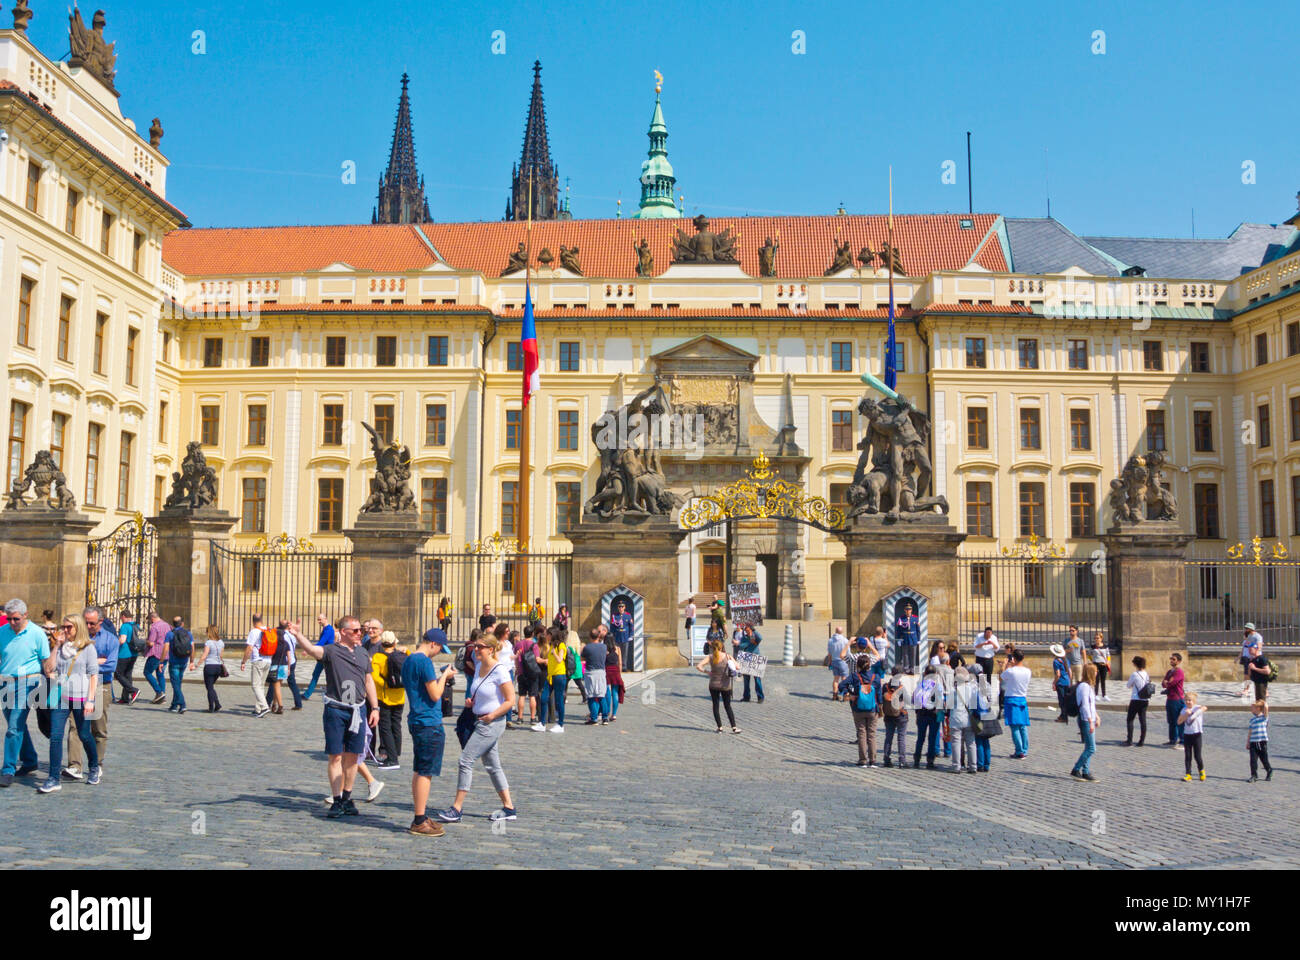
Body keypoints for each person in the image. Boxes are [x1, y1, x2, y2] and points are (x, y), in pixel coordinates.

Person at [289, 616, 379, 819]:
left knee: (353, 756)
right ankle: (337, 799)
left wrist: (375, 708)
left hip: (358, 709)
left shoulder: (363, 653)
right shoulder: (332, 651)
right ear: (344, 632)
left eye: (360, 631)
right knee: (336, 755)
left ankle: (348, 797)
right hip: (336, 710)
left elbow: (368, 681)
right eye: (355, 631)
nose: (359, 634)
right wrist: (297, 635)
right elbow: (313, 651)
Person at [434, 631, 518, 824]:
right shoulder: (480, 665)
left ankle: (457, 808)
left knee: (466, 760)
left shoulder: (500, 670)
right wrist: (472, 703)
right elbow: (482, 691)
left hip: (491, 723)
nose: (475, 649)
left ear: (490, 649)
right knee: (492, 765)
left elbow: (509, 700)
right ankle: (509, 807)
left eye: (480, 647)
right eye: (475, 646)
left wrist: (493, 715)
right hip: (478, 718)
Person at [401, 628, 456, 837]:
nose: (438, 652)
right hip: (428, 721)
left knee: (419, 769)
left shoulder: (409, 659)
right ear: (433, 643)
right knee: (425, 772)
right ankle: (418, 819)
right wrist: (445, 676)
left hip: (417, 718)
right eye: (439, 648)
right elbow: (435, 694)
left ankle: (421, 816)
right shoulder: (423, 662)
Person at [39, 613, 101, 793]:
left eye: (69, 627)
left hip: (81, 698)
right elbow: (49, 668)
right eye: (63, 627)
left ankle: (94, 766)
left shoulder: (88, 648)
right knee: (56, 736)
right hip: (62, 696)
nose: (65, 630)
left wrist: (91, 700)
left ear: (78, 628)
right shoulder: (61, 647)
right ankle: (53, 778)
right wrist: (56, 645)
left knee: (84, 735)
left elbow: (93, 675)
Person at [0, 599, 53, 787]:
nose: (12, 622)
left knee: (14, 726)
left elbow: (46, 661)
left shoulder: (37, 634)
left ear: (25, 615)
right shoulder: (2, 632)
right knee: (16, 724)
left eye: (15, 619)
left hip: (28, 682)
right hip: (5, 683)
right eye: (9, 618)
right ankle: (30, 760)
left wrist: (50, 685)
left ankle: (8, 769)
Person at [837, 655, 882, 767]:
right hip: (872, 709)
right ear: (869, 665)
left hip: (858, 708)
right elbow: (879, 695)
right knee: (871, 734)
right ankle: (873, 760)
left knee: (861, 734)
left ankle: (862, 760)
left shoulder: (855, 676)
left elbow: (841, 685)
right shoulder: (875, 677)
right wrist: (880, 707)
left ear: (858, 665)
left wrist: (848, 693)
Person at [371, 630, 406, 770]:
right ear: (394, 642)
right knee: (396, 725)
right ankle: (396, 752)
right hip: (400, 696)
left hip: (385, 697)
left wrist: (386, 685)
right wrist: (407, 651)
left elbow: (374, 677)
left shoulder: (378, 657)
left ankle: (392, 758)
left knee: (385, 728)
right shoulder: (402, 656)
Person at [695, 638, 740, 734]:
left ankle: (719, 727)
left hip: (713, 684)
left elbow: (698, 666)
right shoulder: (728, 656)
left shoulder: (710, 657)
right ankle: (734, 727)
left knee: (715, 706)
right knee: (727, 706)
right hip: (725, 685)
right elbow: (737, 667)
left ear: (712, 647)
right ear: (721, 647)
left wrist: (707, 672)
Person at [1070, 662, 1100, 782]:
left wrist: (1096, 716)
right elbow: (1085, 706)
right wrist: (1090, 721)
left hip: (1090, 719)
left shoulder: (1089, 686)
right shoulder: (1083, 687)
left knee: (1088, 746)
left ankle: (1085, 771)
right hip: (1085, 719)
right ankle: (1075, 769)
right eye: (1096, 671)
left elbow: (1092, 705)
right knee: (1092, 748)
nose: (1097, 673)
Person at [947, 665, 979, 774]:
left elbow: (948, 705)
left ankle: (956, 766)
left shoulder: (952, 690)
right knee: (971, 743)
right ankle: (973, 766)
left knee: (956, 742)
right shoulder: (972, 689)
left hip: (956, 718)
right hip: (968, 719)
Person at [1001, 649, 1032, 759]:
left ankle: (1019, 751)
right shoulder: (1028, 671)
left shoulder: (1011, 671)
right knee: (1023, 726)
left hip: (1011, 699)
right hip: (1022, 699)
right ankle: (1024, 749)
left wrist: (1006, 665)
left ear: (1013, 658)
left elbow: (1002, 677)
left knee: (1014, 727)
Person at [910, 665, 942, 769]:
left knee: (920, 737)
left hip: (921, 714)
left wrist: (917, 712)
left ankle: (917, 759)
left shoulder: (920, 685)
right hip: (933, 714)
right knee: (932, 738)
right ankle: (930, 761)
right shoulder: (937, 685)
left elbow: (914, 699)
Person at [240, 614, 271, 718]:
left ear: (253, 621)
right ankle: (258, 709)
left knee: (255, 685)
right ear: (261, 620)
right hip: (268, 660)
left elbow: (249, 648)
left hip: (258, 661)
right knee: (261, 685)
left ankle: (265, 707)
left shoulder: (254, 631)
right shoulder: (267, 629)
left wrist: (243, 661)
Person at [163, 615, 193, 714]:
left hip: (174, 662)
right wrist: (192, 661)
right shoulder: (188, 633)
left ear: (173, 624)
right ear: (182, 623)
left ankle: (183, 704)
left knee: (175, 685)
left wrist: (161, 661)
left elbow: (166, 649)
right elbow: (193, 648)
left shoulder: (170, 634)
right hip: (184, 661)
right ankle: (174, 705)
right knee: (178, 684)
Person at [301, 613, 334, 701]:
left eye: (320, 619)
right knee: (316, 674)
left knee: (328, 676)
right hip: (322, 656)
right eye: (318, 620)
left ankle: (331, 694)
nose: (318, 621)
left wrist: (309, 650)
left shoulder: (329, 629)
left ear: (325, 619)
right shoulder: (325, 629)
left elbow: (321, 642)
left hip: (327, 656)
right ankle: (307, 695)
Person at [970, 663, 996, 772]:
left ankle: (980, 763)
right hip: (988, 713)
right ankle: (987, 764)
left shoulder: (974, 685)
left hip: (978, 714)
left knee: (979, 740)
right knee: (986, 740)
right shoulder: (987, 684)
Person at [881, 669, 909, 767]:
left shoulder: (885, 687)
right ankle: (902, 760)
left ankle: (886, 759)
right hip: (901, 715)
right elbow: (908, 700)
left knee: (888, 737)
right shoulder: (901, 687)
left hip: (888, 715)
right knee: (901, 738)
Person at [581, 628, 609, 725]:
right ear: (599, 636)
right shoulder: (604, 647)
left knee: (591, 696)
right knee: (601, 695)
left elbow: (582, 657)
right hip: (601, 672)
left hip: (590, 672)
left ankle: (594, 718)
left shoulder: (587, 647)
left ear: (590, 637)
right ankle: (605, 718)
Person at [1178, 692, 1207, 781]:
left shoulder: (1197, 707)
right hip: (1187, 735)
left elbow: (1205, 708)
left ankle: (1201, 770)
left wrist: (1196, 712)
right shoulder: (1183, 710)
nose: (1188, 702)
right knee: (1187, 755)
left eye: (1189, 700)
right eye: (1186, 700)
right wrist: (1186, 714)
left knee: (1197, 755)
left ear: (1194, 701)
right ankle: (1188, 774)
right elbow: (1179, 722)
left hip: (1197, 734)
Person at [545, 626, 568, 733]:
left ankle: (561, 724)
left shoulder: (561, 645)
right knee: (544, 697)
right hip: (551, 676)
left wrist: (554, 653)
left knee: (559, 701)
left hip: (559, 675)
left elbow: (559, 659)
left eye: (548, 634)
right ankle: (542, 722)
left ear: (552, 635)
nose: (546, 636)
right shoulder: (551, 645)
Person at [114, 611, 141, 705]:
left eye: (121, 618)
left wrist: (113, 645)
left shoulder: (125, 626)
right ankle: (125, 698)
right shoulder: (136, 626)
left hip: (124, 654)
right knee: (127, 675)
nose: (121, 620)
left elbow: (122, 640)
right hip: (134, 653)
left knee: (118, 674)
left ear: (124, 616)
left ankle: (133, 691)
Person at [142, 610, 169, 704]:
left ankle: (159, 692)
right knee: (160, 674)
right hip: (165, 653)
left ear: (152, 618)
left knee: (147, 672)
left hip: (156, 654)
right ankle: (162, 696)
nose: (149, 622)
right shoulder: (166, 625)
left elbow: (151, 642)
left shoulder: (154, 627)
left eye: (149, 620)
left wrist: (146, 641)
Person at [1124, 655, 1150, 747]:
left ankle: (1129, 740)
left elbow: (1128, 685)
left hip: (1135, 699)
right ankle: (1141, 741)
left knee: (1130, 719)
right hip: (1145, 699)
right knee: (1143, 720)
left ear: (1135, 664)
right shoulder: (1146, 674)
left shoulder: (1135, 674)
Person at [1161, 652, 1186, 746]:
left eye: (1173, 659)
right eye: (1171, 659)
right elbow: (1163, 684)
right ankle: (1172, 739)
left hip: (1177, 699)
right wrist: (1166, 682)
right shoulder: (1169, 672)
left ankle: (1182, 739)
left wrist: (1167, 682)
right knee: (1171, 720)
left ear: (1179, 661)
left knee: (1178, 720)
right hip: (1170, 698)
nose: (1171, 660)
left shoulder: (1179, 672)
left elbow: (1172, 683)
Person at [199, 625, 225, 712]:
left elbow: (204, 655)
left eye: (206, 632)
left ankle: (211, 708)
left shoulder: (208, 642)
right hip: (218, 667)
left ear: (209, 632)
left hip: (209, 666)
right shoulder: (221, 642)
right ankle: (217, 704)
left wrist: (197, 665)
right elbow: (221, 656)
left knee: (209, 687)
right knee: (210, 687)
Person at [736, 623, 764, 703]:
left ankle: (760, 697)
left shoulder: (755, 635)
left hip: (755, 658)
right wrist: (749, 642)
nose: (746, 630)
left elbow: (760, 638)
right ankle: (746, 696)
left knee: (757, 679)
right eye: (745, 628)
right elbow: (741, 646)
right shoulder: (744, 637)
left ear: (751, 628)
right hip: (746, 658)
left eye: (747, 628)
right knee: (746, 679)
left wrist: (754, 631)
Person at [1247, 700, 1272, 783]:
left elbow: (1266, 707)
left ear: (1258, 708)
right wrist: (1248, 742)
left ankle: (1269, 770)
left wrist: (1263, 702)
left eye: (1252, 708)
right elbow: (1250, 732)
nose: (1251, 709)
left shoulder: (1264, 718)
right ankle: (1254, 775)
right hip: (1253, 742)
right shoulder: (1252, 720)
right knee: (1253, 760)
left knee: (1264, 759)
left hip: (1262, 742)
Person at [894, 599, 920, 673]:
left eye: (909, 609)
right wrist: (899, 639)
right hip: (905, 637)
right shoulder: (901, 619)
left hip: (913, 638)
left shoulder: (915, 618)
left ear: (911, 610)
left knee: (913, 654)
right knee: (905, 654)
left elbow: (918, 629)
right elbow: (898, 629)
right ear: (904, 610)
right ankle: (906, 668)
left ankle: (912, 668)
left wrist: (918, 639)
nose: (908, 611)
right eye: (907, 609)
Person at [609, 600, 634, 671]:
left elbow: (631, 626)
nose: (621, 608)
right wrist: (612, 637)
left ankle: (624, 667)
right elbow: (612, 627)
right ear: (618, 607)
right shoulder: (614, 616)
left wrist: (631, 635)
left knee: (624, 653)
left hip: (625, 637)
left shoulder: (628, 615)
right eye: (619, 606)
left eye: (622, 606)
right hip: (617, 637)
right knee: (616, 652)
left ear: (624, 607)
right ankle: (617, 666)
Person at [827, 623, 850, 700]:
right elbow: (848, 653)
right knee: (844, 678)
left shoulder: (830, 641)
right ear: (842, 632)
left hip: (834, 661)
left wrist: (829, 662)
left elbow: (829, 653)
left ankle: (835, 694)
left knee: (836, 679)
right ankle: (845, 695)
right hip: (843, 661)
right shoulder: (845, 640)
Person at [603, 633, 623, 722]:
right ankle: (614, 714)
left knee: (607, 691)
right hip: (615, 671)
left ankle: (606, 712)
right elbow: (620, 662)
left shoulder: (604, 649)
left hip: (606, 670)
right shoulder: (617, 649)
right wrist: (620, 673)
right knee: (615, 692)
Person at [1239, 623, 1262, 696]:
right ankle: (1246, 689)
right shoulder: (1249, 636)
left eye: (1247, 628)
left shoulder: (1257, 636)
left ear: (1251, 629)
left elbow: (1259, 647)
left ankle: (1264, 690)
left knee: (1258, 674)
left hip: (1255, 657)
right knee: (1247, 674)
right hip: (1248, 657)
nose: (1246, 630)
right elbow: (1246, 646)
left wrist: (1256, 656)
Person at [1049, 643, 1071, 723]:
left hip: (1061, 682)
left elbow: (1058, 674)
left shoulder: (1056, 661)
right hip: (1067, 681)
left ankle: (1064, 716)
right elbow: (1070, 672)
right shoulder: (1066, 660)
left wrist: (1054, 682)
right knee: (1065, 700)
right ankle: (1063, 715)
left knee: (1061, 701)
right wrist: (1070, 682)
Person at [1089, 632, 1111, 700]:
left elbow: (1108, 655)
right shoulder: (1093, 647)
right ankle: (1096, 694)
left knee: (1103, 680)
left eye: (1098, 638)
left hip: (1103, 664)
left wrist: (1108, 661)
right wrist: (1092, 661)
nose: (1096, 639)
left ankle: (1104, 695)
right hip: (1096, 664)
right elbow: (1089, 654)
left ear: (1101, 638)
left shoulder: (1105, 646)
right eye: (1095, 638)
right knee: (1096, 680)